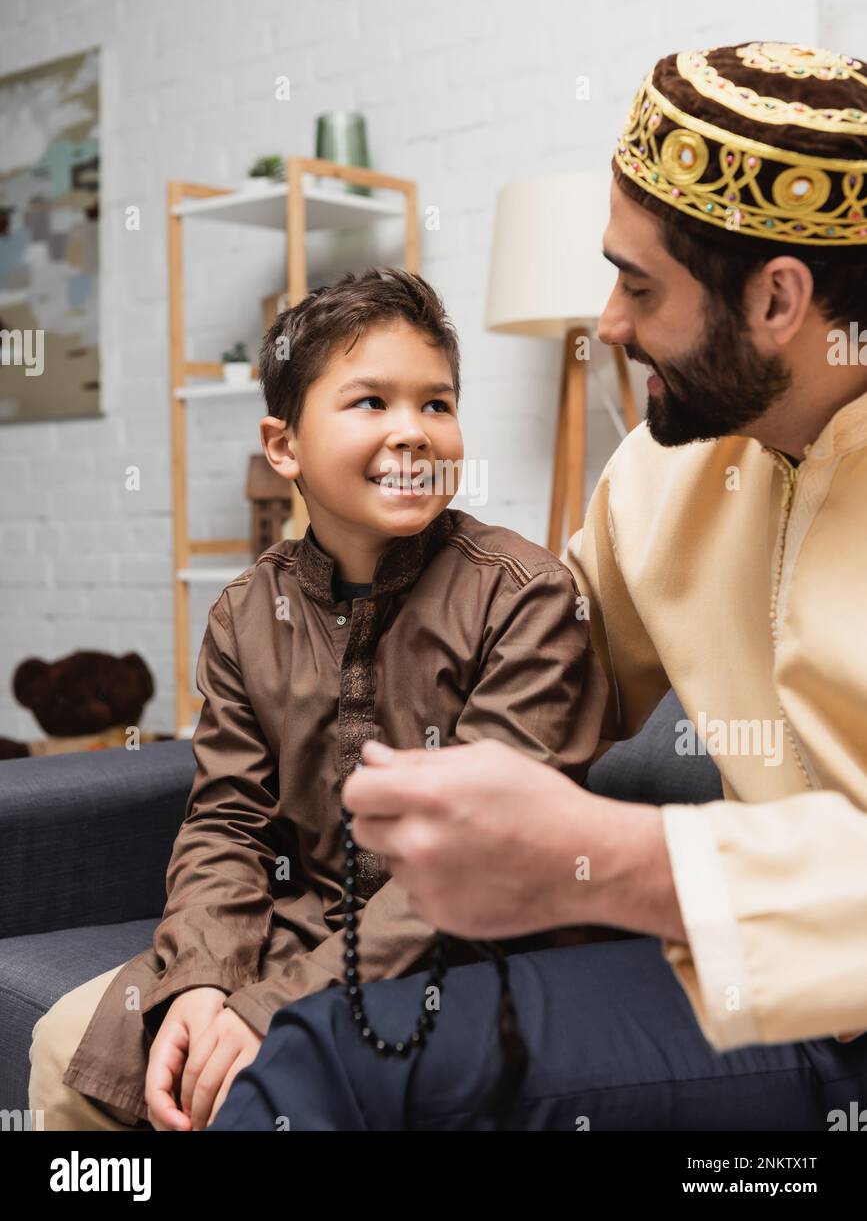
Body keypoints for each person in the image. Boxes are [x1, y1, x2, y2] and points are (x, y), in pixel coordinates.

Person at [206, 42, 867, 1131]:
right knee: (331, 1038)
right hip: (750, 979)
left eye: (640, 284)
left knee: (344, 1064)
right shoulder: (664, 473)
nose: (608, 322)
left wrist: (614, 861)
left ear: (778, 298)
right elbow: (539, 667)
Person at [29, 266, 607, 1131]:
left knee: (250, 1088)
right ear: (283, 445)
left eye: (437, 403)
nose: (412, 431)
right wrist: (201, 981)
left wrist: (271, 1009)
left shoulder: (523, 596)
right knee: (72, 1047)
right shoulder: (244, 614)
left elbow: (475, 856)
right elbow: (227, 825)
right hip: (291, 935)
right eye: (370, 401)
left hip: (475, 949)